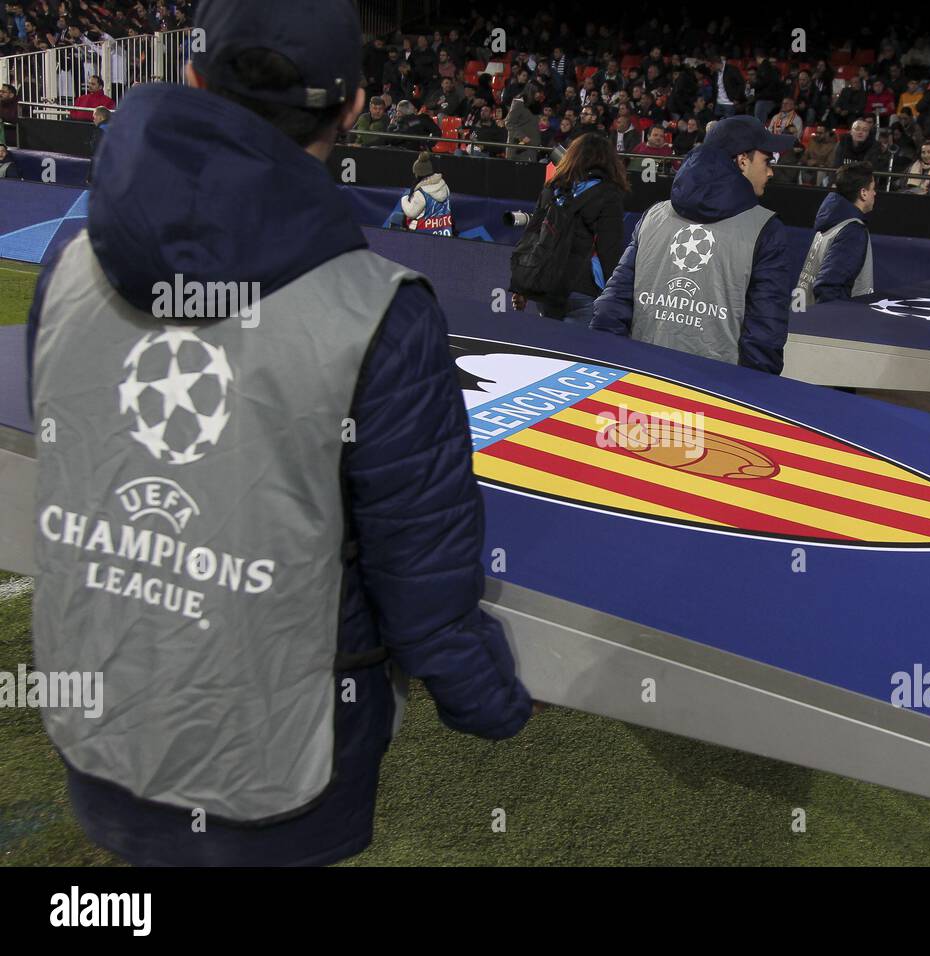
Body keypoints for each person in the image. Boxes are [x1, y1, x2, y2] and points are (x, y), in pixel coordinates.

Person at [26, 0, 533, 868]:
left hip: (105, 725)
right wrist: (492, 701)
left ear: (194, 78)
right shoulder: (380, 312)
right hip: (279, 771)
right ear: (356, 106)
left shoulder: (70, 263)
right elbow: (424, 580)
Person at [592, 115, 792, 374]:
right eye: (767, 160)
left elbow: (613, 304)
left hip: (639, 379)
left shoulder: (655, 214)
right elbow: (765, 332)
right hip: (716, 392)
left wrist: (611, 368)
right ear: (743, 161)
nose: (770, 171)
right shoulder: (766, 229)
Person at [510, 132, 628, 326]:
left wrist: (521, 285)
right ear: (609, 162)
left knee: (550, 352)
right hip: (583, 290)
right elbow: (609, 251)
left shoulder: (552, 187)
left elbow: (531, 238)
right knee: (576, 355)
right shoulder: (609, 195)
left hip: (546, 286)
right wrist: (616, 299)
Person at [796, 162, 876, 303]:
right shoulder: (852, 230)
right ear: (863, 193)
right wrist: (834, 322)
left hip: (804, 315)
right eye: (873, 189)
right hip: (824, 321)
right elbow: (829, 287)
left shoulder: (831, 221)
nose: (875, 193)